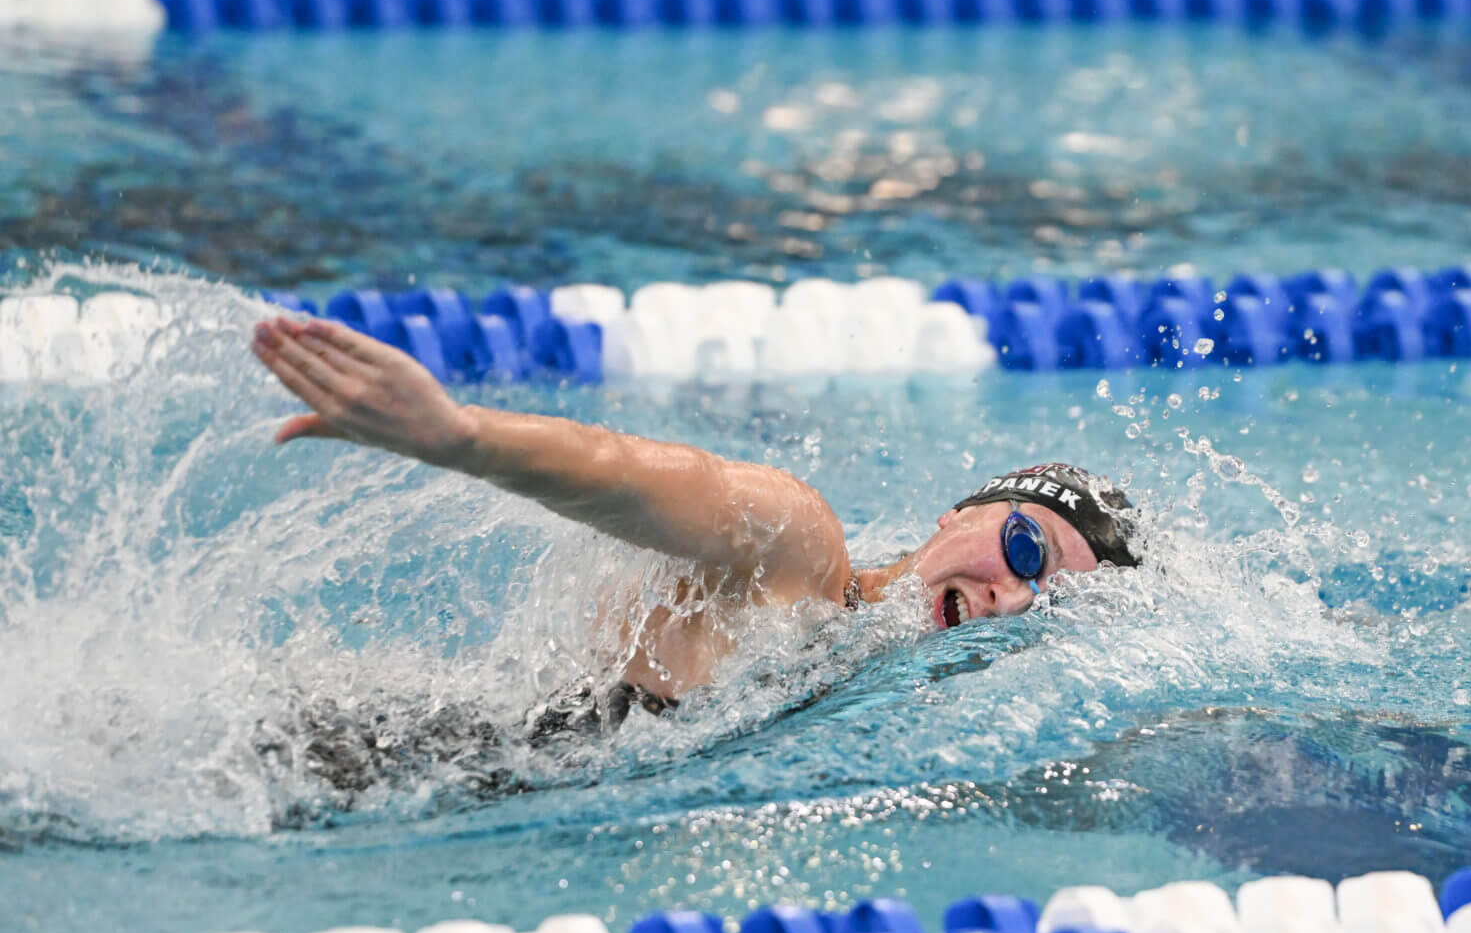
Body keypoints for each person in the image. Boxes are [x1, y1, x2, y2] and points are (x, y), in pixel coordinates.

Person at [250, 314, 1142, 733]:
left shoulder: (870, 675)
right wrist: (464, 437)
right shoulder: (803, 556)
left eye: (1047, 602)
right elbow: (647, 479)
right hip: (365, 757)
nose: (1013, 599)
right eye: (1026, 549)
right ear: (961, 513)